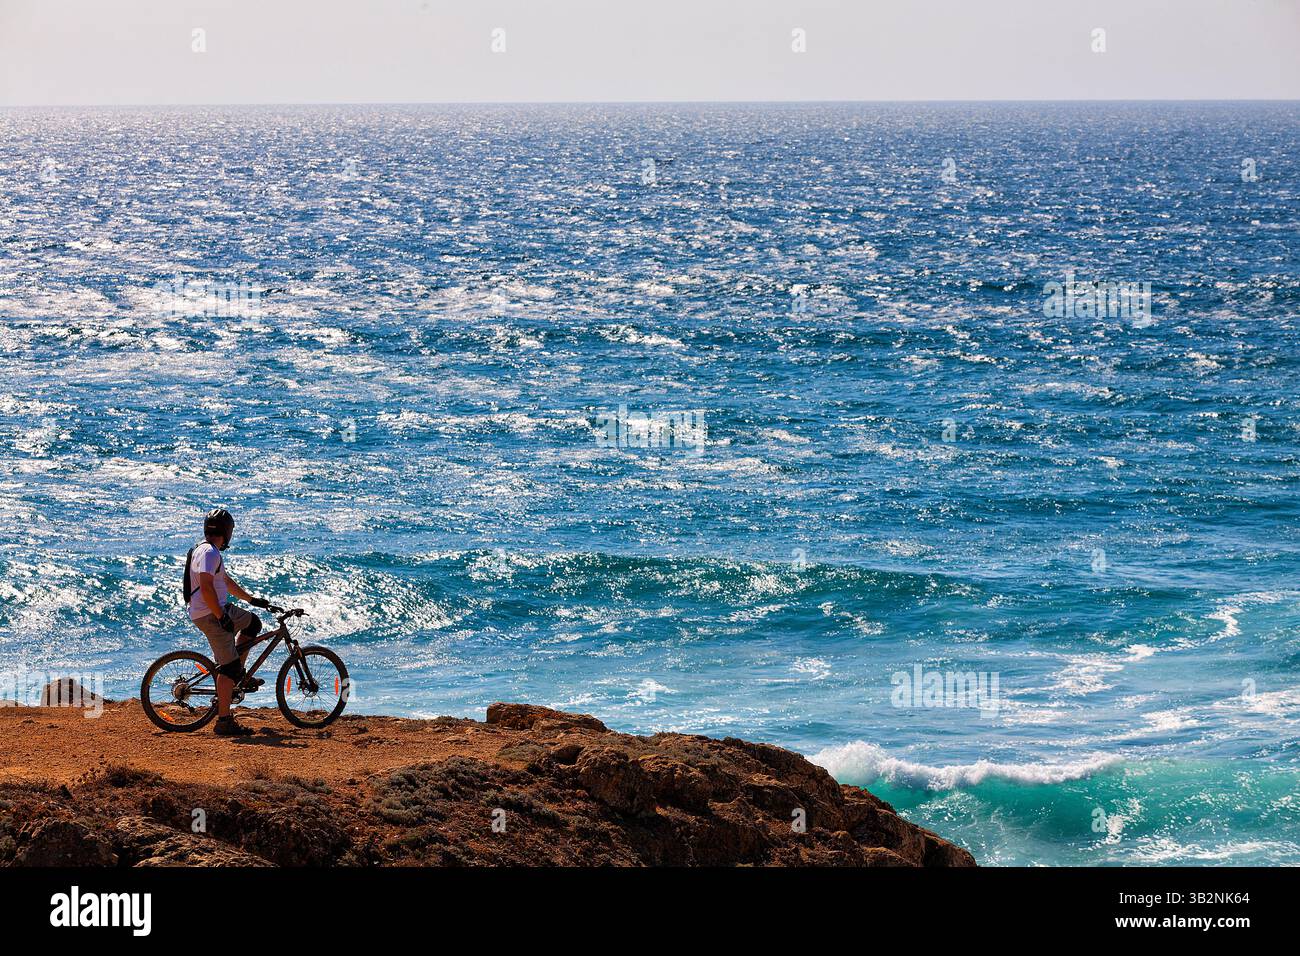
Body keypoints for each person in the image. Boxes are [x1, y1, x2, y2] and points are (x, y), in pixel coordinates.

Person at [185, 508, 275, 737]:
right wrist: (221, 617)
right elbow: (205, 587)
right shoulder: (209, 553)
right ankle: (224, 721)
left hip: (215, 609)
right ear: (227, 531)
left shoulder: (206, 550)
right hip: (209, 613)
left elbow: (224, 582)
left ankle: (239, 674)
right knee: (228, 669)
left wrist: (252, 599)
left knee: (253, 624)